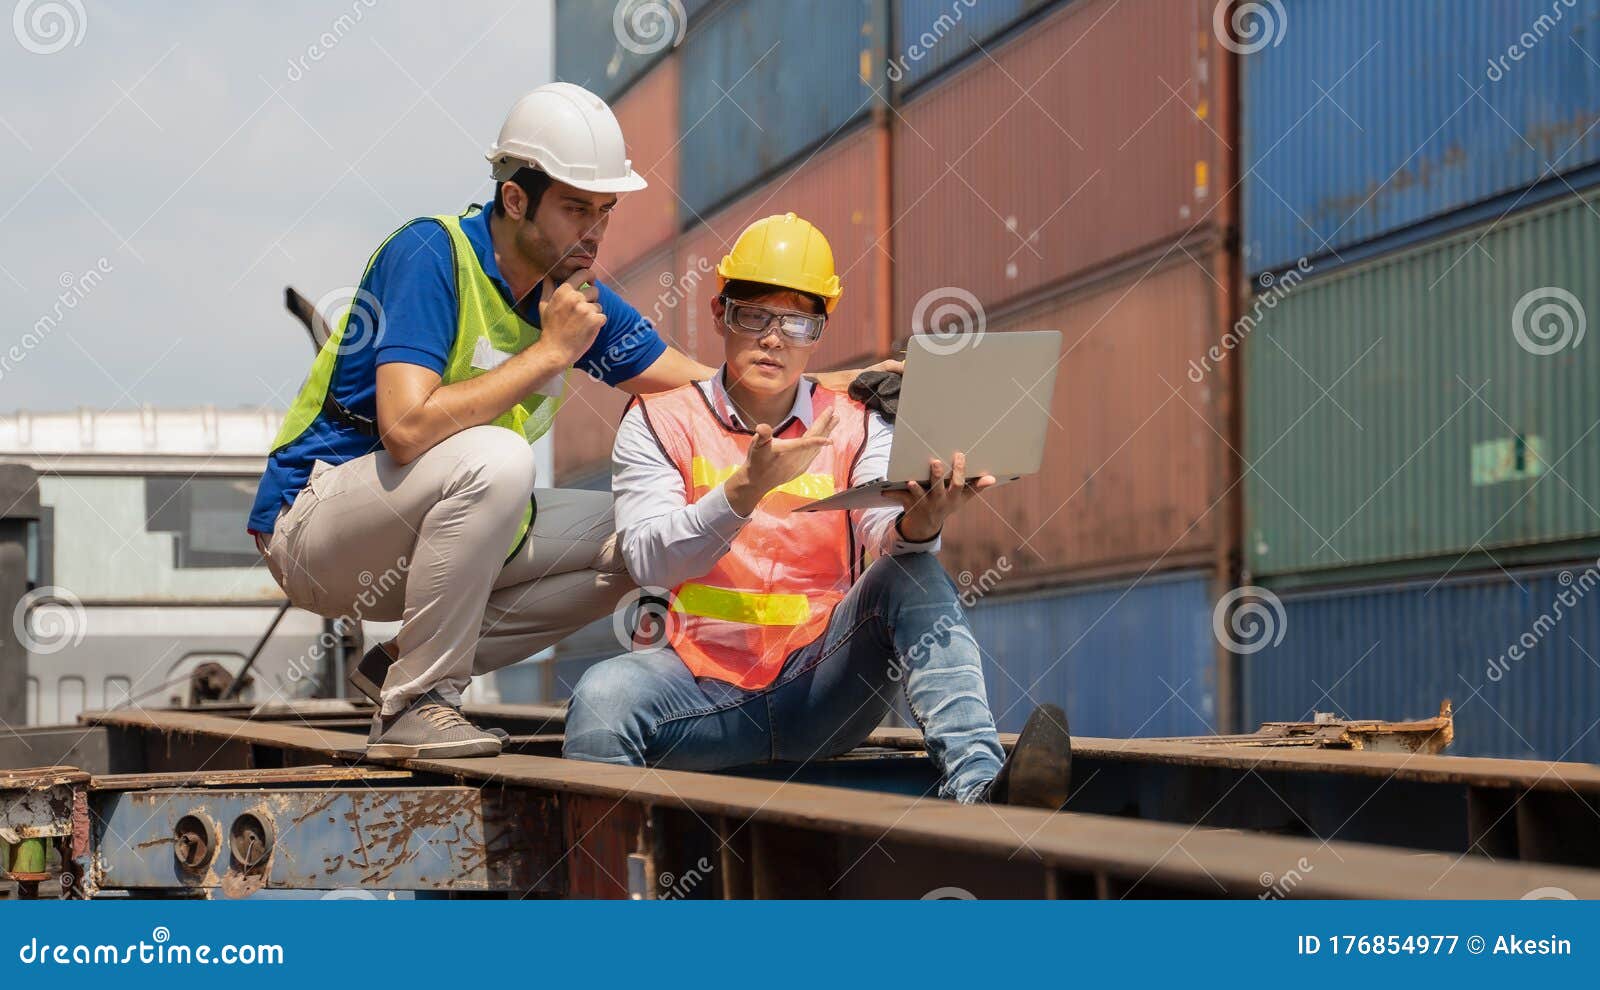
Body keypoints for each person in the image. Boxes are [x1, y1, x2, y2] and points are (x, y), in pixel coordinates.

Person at [249, 84, 888, 760]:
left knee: (638, 544)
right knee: (499, 459)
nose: (594, 231)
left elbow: (704, 382)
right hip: (315, 528)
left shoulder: (574, 296)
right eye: (576, 208)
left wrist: (847, 383)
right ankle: (419, 702)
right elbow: (405, 429)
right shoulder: (431, 256)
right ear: (514, 199)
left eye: (605, 211)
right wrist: (551, 353)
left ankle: (399, 666)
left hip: (428, 538)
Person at [562, 213, 1072, 808]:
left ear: (819, 330)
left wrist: (923, 521)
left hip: (823, 691)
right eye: (754, 316)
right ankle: (604, 865)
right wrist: (741, 493)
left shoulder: (857, 420)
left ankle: (980, 789)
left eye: (797, 322)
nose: (774, 338)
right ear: (720, 314)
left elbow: (886, 535)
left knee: (914, 572)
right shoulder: (659, 419)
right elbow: (648, 559)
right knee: (602, 699)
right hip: (697, 692)